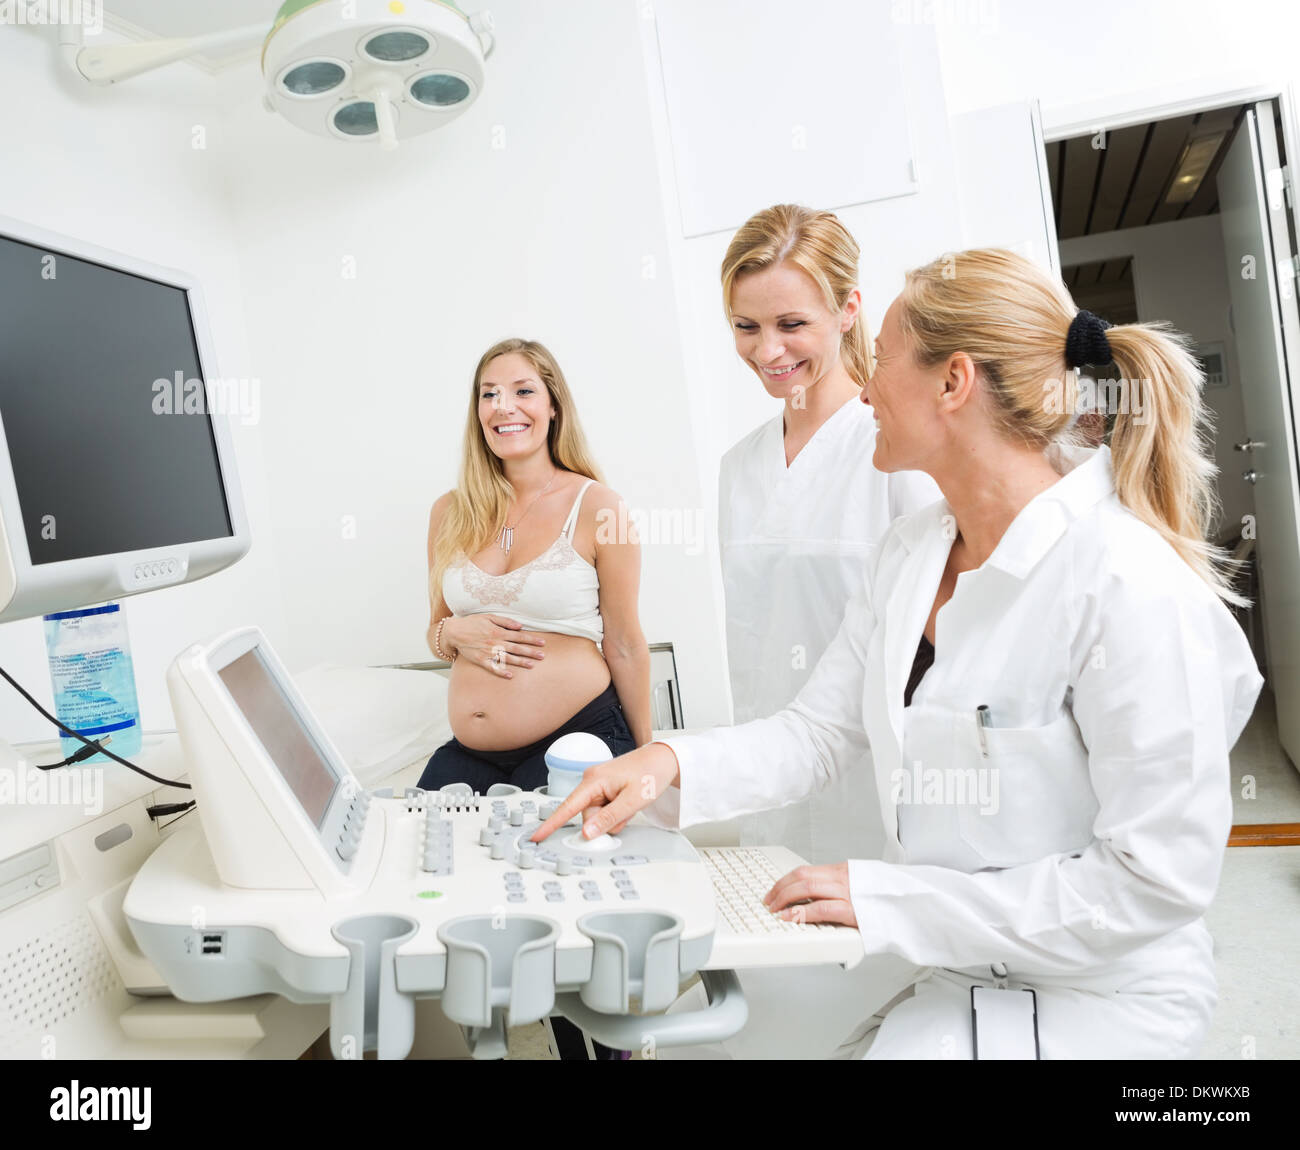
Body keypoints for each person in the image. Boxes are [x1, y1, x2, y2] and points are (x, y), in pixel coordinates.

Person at [534, 249, 1263, 1059]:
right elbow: (814, 733)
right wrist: (662, 764)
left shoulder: (1127, 585)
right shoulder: (912, 553)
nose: (866, 386)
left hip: (1102, 1000)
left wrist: (895, 901)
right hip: (958, 970)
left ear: (954, 383)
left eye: (879, 361)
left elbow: (1153, 882)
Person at [717, 203, 938, 863]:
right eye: (745, 326)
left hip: (881, 788)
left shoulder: (895, 450)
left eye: (791, 324)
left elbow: (938, 644)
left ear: (847, 311)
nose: (768, 351)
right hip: (772, 783)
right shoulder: (738, 467)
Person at [419, 336, 648, 793]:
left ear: (553, 406)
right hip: (470, 754)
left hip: (578, 739)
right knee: (416, 853)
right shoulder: (448, 512)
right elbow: (437, 629)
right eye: (489, 394)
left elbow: (624, 644)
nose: (504, 407)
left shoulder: (600, 507)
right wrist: (452, 634)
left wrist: (645, 764)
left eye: (523, 391)